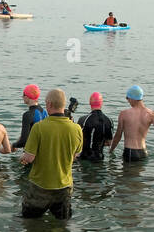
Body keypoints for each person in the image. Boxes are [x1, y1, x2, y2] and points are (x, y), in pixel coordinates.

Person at [19, 88, 82, 220]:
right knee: (62, 223)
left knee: (29, 222)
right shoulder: (76, 129)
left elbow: (29, 158)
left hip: (40, 187)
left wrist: (23, 158)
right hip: (64, 187)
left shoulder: (39, 128)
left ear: (49, 104)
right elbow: (76, 155)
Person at [109, 84, 154, 162]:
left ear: (132, 98)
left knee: (127, 174)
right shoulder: (152, 114)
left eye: (127, 98)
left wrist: (111, 150)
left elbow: (118, 135)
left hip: (130, 152)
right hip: (144, 152)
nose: (127, 100)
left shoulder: (124, 114)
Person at [78, 92, 113, 161]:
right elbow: (109, 143)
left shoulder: (83, 119)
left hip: (84, 157)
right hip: (99, 158)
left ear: (90, 103)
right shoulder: (108, 121)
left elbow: (77, 140)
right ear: (101, 104)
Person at [12, 84, 47, 149]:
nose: (22, 97)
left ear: (27, 97)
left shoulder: (27, 115)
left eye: (23, 95)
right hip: (44, 149)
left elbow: (23, 142)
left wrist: (13, 145)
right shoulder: (45, 112)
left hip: (31, 152)